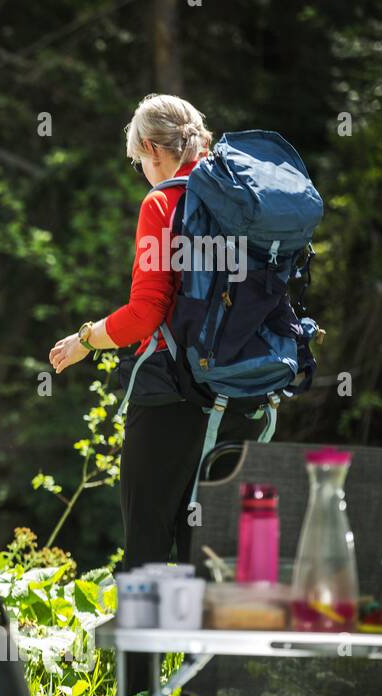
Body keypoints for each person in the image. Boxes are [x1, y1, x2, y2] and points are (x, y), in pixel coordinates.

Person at [47, 93, 262, 571]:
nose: (141, 168)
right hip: (247, 392)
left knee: (147, 540)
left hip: (172, 394)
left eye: (137, 159)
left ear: (151, 147)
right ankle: (203, 649)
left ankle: (137, 649)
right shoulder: (248, 200)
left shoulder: (164, 202)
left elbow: (144, 315)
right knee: (209, 549)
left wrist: (85, 339)